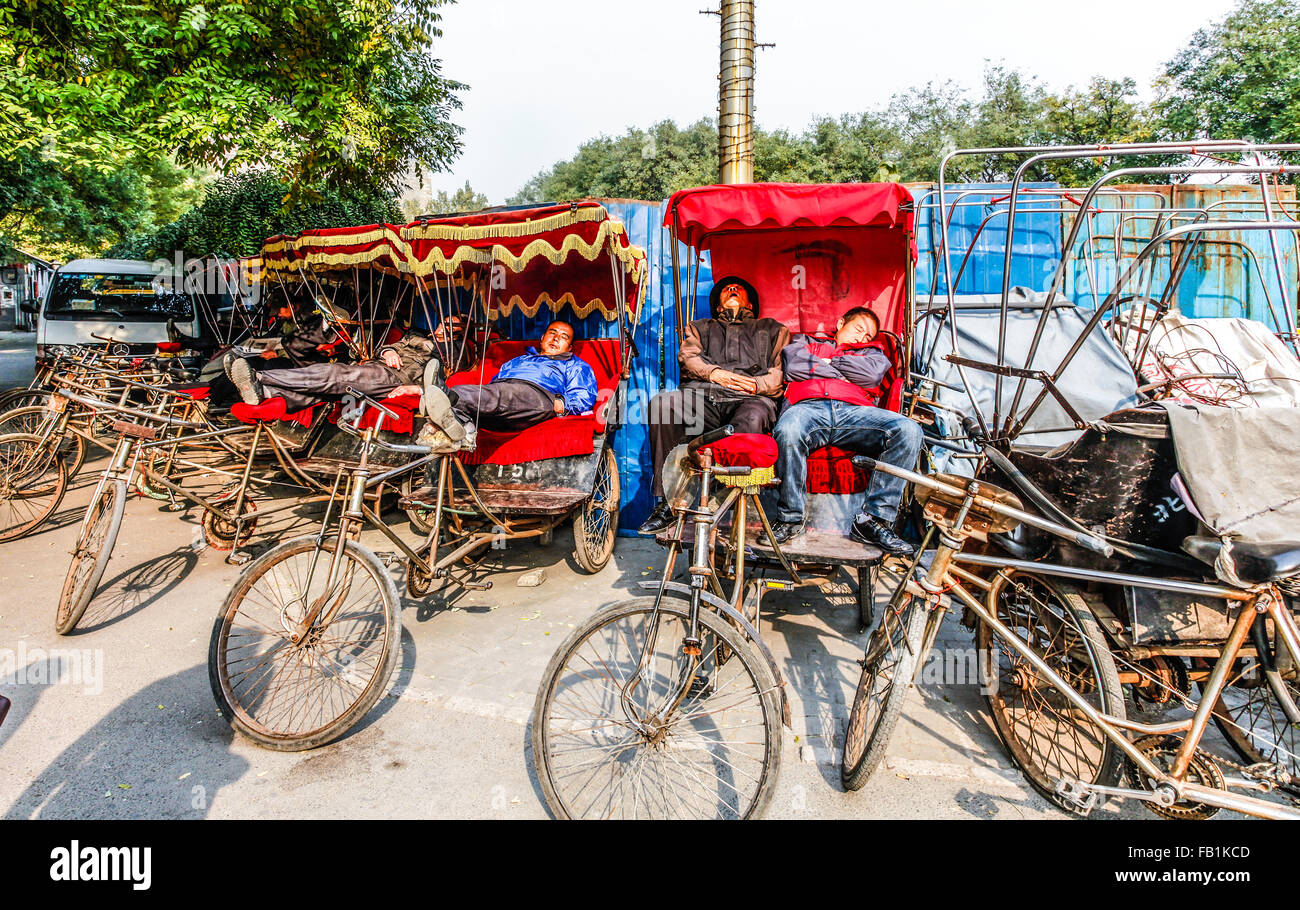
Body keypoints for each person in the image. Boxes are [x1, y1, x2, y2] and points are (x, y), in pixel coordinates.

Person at [763, 306, 922, 556]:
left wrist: (826, 364)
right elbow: (794, 367)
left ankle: (873, 520)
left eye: (868, 336)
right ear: (840, 323)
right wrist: (846, 372)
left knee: (909, 430)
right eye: (859, 329)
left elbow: (870, 377)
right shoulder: (806, 341)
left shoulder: (874, 353)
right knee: (789, 429)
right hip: (807, 407)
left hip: (856, 413)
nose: (862, 338)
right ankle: (790, 518)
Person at [638, 276, 790, 534]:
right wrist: (715, 373)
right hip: (703, 396)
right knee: (664, 405)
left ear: (750, 303)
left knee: (752, 418)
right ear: (718, 306)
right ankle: (669, 502)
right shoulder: (700, 327)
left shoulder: (774, 329)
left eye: (738, 288)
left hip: (750, 398)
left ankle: (730, 503)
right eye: (726, 289)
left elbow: (779, 374)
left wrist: (754, 386)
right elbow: (689, 359)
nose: (732, 289)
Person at [434, 320, 596, 449]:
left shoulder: (575, 365)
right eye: (552, 333)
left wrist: (560, 404)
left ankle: (442, 396)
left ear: (570, 347)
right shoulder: (518, 360)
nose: (555, 339)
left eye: (564, 337)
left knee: (497, 394)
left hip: (538, 397)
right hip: (505, 403)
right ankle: (464, 424)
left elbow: (584, 397)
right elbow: (493, 388)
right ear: (542, 339)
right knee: (477, 394)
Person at [226, 326, 438, 413]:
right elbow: (390, 346)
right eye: (442, 324)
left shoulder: (450, 353)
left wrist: (417, 389)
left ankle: (260, 378)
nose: (440, 328)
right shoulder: (418, 338)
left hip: (394, 378)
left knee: (334, 374)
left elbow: (442, 384)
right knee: (320, 392)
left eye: (449, 325)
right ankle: (265, 392)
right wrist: (388, 352)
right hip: (379, 367)